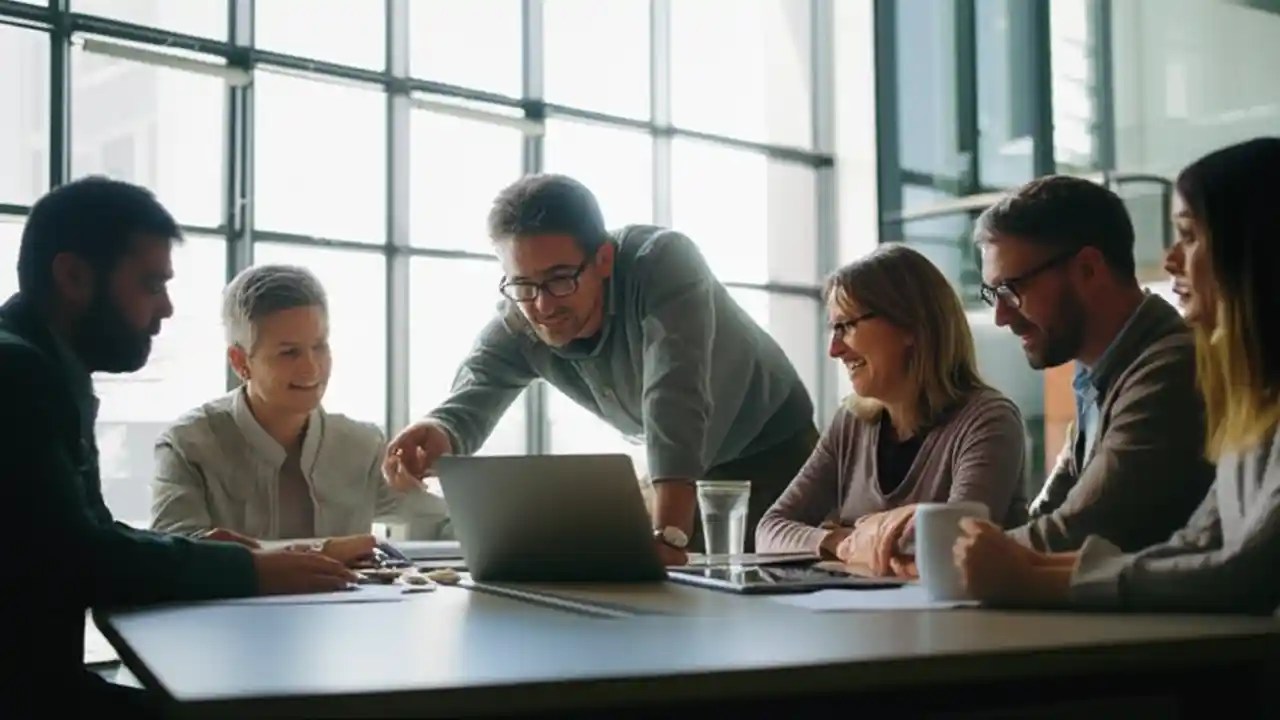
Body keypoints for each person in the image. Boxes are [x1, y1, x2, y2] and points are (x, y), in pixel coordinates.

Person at [0, 177, 365, 715]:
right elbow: (76, 558)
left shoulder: (42, 368)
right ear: (74, 276)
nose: (167, 309)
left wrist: (213, 556)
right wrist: (247, 570)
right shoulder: (19, 375)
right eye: (151, 285)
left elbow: (78, 533)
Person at [384, 174, 818, 558]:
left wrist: (668, 536)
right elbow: (480, 380)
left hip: (776, 449)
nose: (542, 305)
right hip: (689, 473)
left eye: (559, 279)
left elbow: (674, 392)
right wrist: (439, 429)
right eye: (522, 283)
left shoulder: (663, 263)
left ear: (604, 260)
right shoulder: (523, 317)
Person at [955, 137, 1280, 614]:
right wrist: (1000, 566)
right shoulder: (1246, 396)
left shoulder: (1172, 371)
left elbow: (1247, 572)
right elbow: (1199, 544)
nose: (1169, 261)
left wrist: (1009, 573)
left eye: (1189, 236)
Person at [974, 175, 1214, 553]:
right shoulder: (1099, 372)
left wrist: (937, 551)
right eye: (993, 294)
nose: (1001, 317)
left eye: (1011, 290)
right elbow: (1048, 519)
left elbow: (1075, 532)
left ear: (1088, 269)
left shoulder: (1170, 370)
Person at [756, 245, 1028, 572]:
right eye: (833, 329)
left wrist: (858, 534)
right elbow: (769, 529)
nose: (835, 349)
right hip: (862, 618)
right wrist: (840, 543)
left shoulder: (988, 421)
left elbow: (954, 539)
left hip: (960, 622)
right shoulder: (850, 423)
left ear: (909, 325)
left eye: (847, 326)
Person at [150, 264, 451, 541]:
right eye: (289, 352)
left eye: (319, 346)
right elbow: (175, 556)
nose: (311, 368)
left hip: (348, 602)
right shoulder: (188, 447)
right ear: (240, 362)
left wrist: (435, 487)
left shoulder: (361, 447)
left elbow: (442, 520)